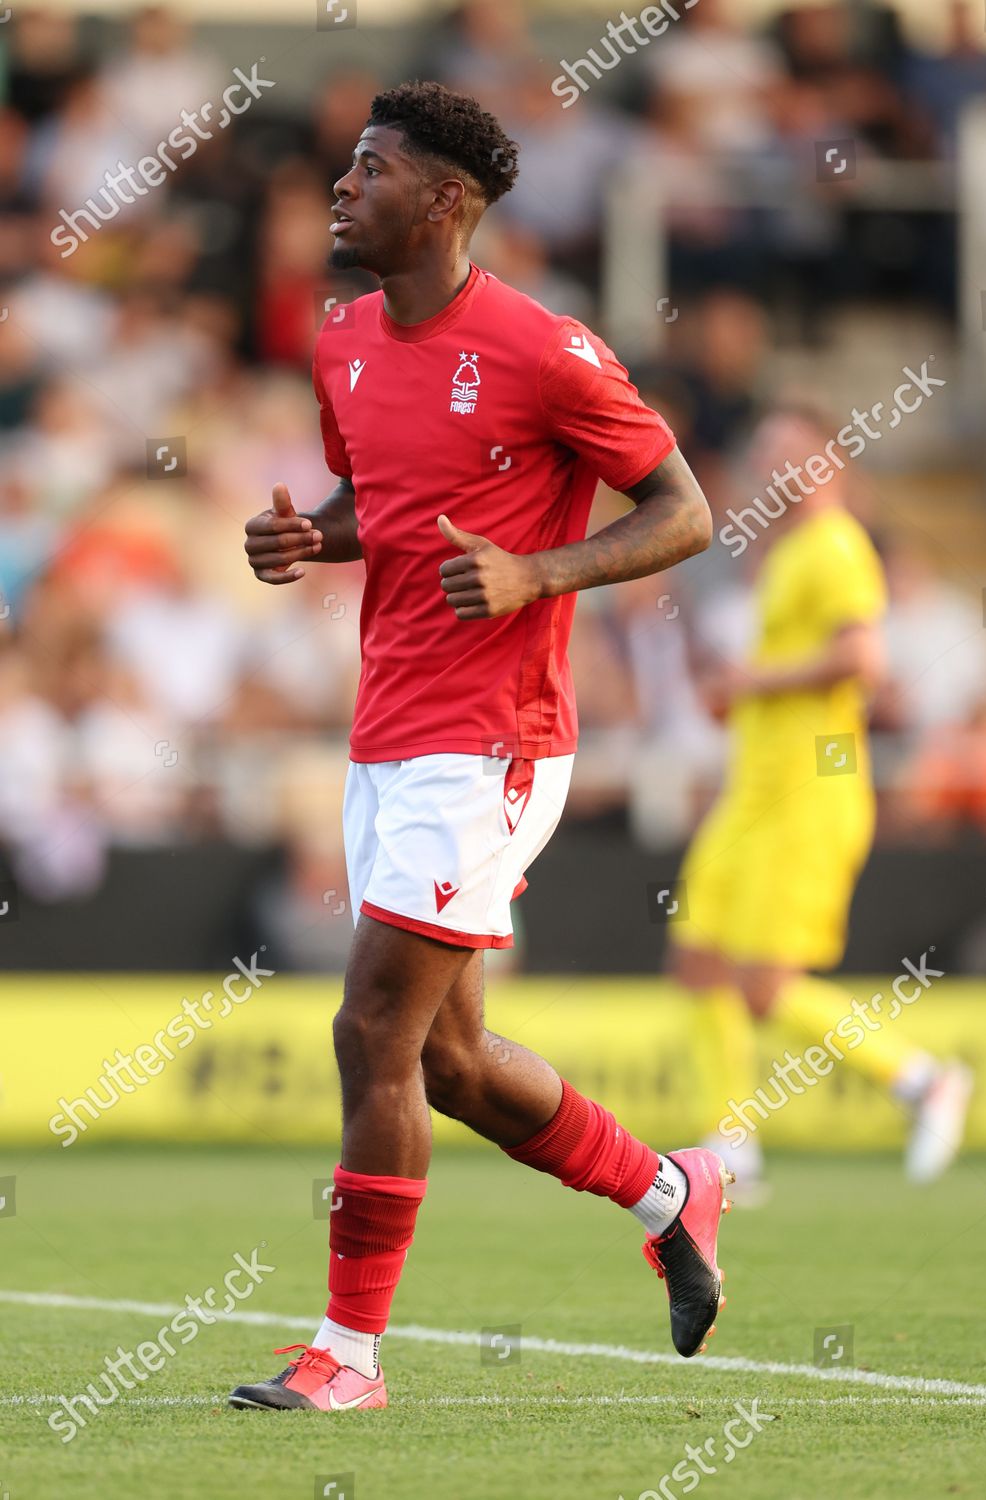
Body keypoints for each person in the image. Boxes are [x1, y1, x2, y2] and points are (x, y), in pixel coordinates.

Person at [231, 81, 731, 1414]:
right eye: (346, 167)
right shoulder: (339, 338)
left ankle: (349, 1356)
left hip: (495, 741)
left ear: (445, 202)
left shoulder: (544, 348)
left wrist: (539, 574)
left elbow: (684, 510)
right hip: (387, 730)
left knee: (369, 1032)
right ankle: (669, 1186)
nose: (342, 188)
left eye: (372, 169)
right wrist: (308, 541)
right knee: (445, 1065)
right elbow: (377, 504)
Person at [673, 405, 972, 1201]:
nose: (772, 462)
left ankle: (921, 1080)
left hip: (811, 795)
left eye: (789, 449)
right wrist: (743, 697)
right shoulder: (789, 553)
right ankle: (731, 1141)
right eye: (764, 449)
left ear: (829, 462)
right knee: (698, 954)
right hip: (756, 790)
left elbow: (862, 658)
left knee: (764, 985)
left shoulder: (837, 544)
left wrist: (750, 682)